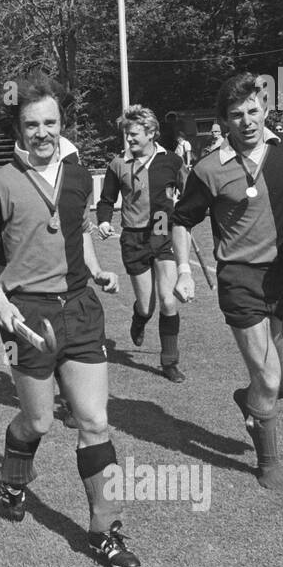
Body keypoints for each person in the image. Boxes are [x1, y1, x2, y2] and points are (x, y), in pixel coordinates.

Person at [0, 70, 140, 567]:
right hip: (27, 315)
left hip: (81, 309)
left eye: (51, 122)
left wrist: (97, 269)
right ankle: (15, 477)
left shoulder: (80, 174)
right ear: (18, 129)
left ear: (61, 122)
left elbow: (79, 229)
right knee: (38, 420)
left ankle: (104, 530)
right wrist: (2, 304)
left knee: (94, 422)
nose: (42, 132)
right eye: (32, 124)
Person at [170, 72, 283, 491]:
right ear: (224, 120)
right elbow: (182, 221)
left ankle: (249, 399)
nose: (246, 121)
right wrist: (184, 271)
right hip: (240, 278)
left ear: (265, 110)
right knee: (270, 379)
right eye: (236, 115)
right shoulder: (207, 170)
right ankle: (268, 462)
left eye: (253, 111)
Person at [96, 106, 190, 383]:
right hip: (133, 237)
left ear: (151, 133)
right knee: (147, 306)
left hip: (162, 228)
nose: (129, 138)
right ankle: (139, 319)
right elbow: (106, 200)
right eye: (127, 133)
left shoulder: (171, 161)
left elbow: (189, 193)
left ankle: (169, 361)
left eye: (134, 133)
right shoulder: (117, 163)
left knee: (168, 299)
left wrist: (185, 208)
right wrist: (103, 221)